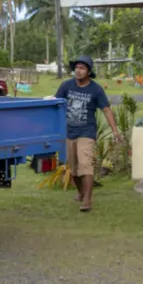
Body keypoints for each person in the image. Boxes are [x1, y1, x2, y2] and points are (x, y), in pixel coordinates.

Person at [55, 56, 121, 212]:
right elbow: (56, 104)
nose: (78, 70)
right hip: (69, 132)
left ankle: (87, 201)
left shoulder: (96, 89)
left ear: (89, 72)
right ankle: (81, 192)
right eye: (76, 67)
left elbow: (106, 109)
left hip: (87, 132)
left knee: (86, 166)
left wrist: (115, 131)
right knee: (74, 169)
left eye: (82, 68)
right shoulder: (66, 86)